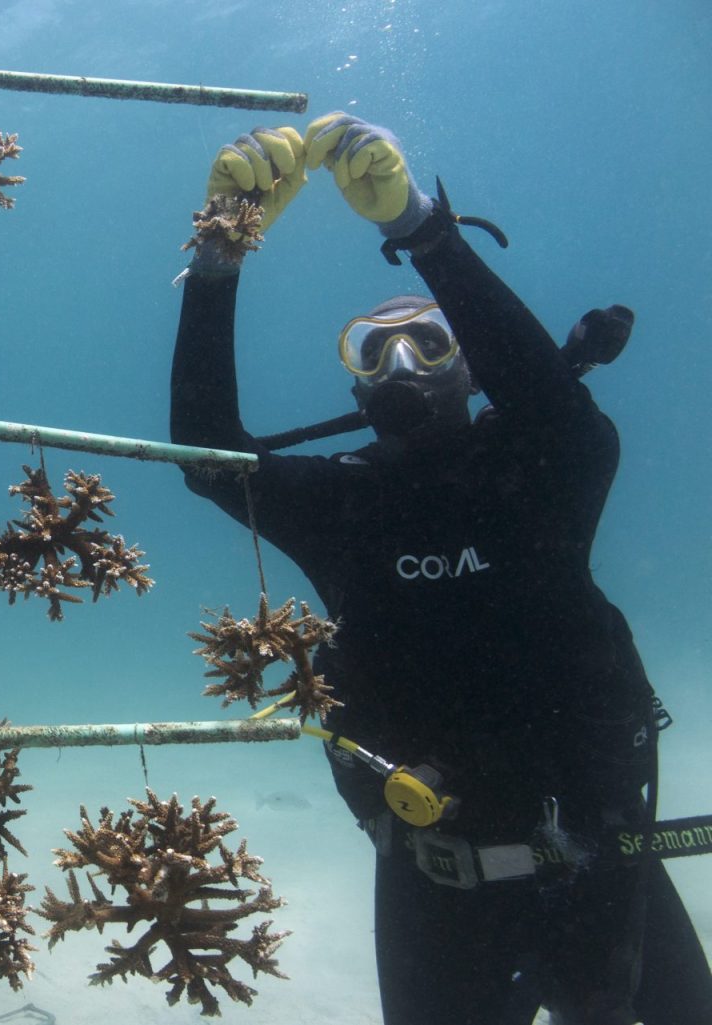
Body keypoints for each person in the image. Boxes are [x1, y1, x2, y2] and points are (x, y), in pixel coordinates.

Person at [168, 112, 712, 1024]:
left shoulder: (545, 465)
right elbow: (206, 454)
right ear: (354, 389)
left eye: (428, 340)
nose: (402, 362)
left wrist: (422, 231)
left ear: (473, 367)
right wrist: (219, 255)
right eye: (372, 350)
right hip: (435, 889)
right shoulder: (339, 504)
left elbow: (558, 408)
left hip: (609, 869)